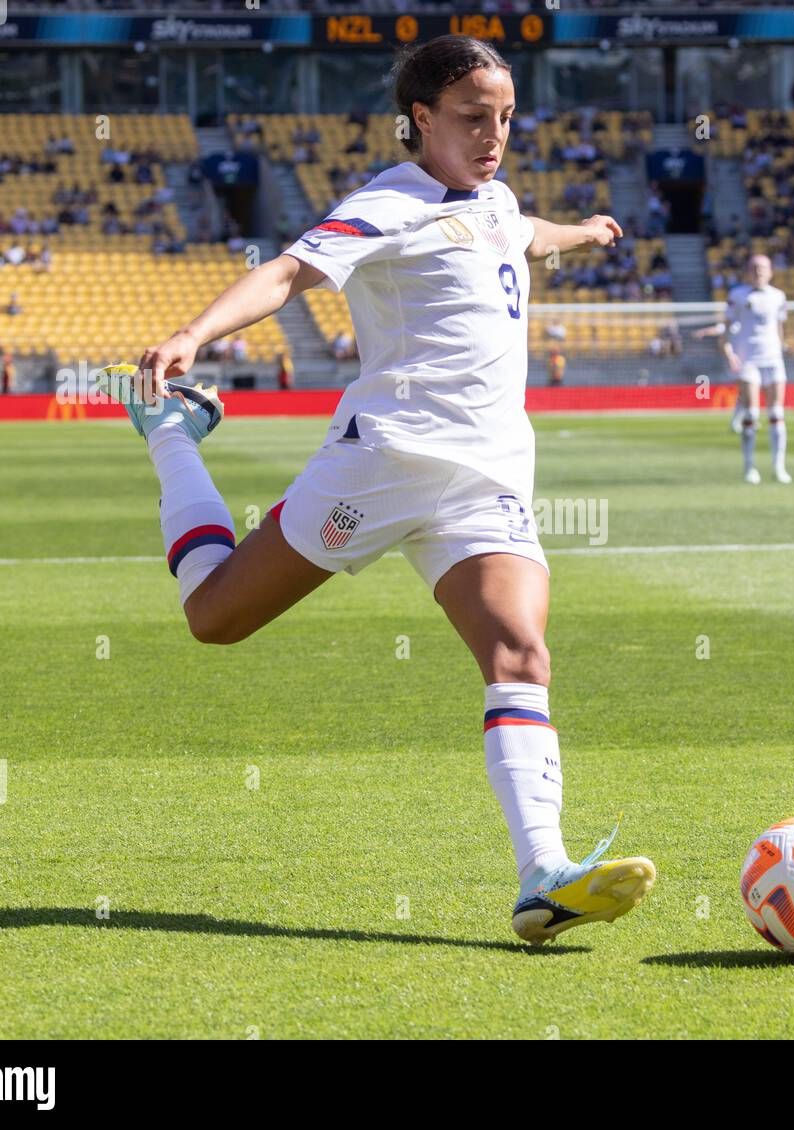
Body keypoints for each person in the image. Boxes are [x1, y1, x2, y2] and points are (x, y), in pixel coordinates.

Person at [97, 35, 654, 946]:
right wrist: (195, 334)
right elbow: (288, 273)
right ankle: (168, 432)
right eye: (473, 117)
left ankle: (545, 875)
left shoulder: (496, 197)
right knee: (214, 617)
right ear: (421, 118)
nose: (494, 135)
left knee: (520, 654)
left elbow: (524, 231)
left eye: (506, 117)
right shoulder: (390, 203)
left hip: (486, 474)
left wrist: (583, 233)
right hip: (384, 462)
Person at [693, 254, 790, 484]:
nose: (758, 271)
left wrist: (782, 347)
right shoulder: (737, 295)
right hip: (749, 361)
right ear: (747, 271)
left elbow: (779, 328)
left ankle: (779, 467)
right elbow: (726, 328)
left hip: (773, 359)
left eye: (763, 268)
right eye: (754, 268)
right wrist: (728, 352)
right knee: (751, 414)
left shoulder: (778, 296)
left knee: (777, 413)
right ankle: (750, 467)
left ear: (771, 271)